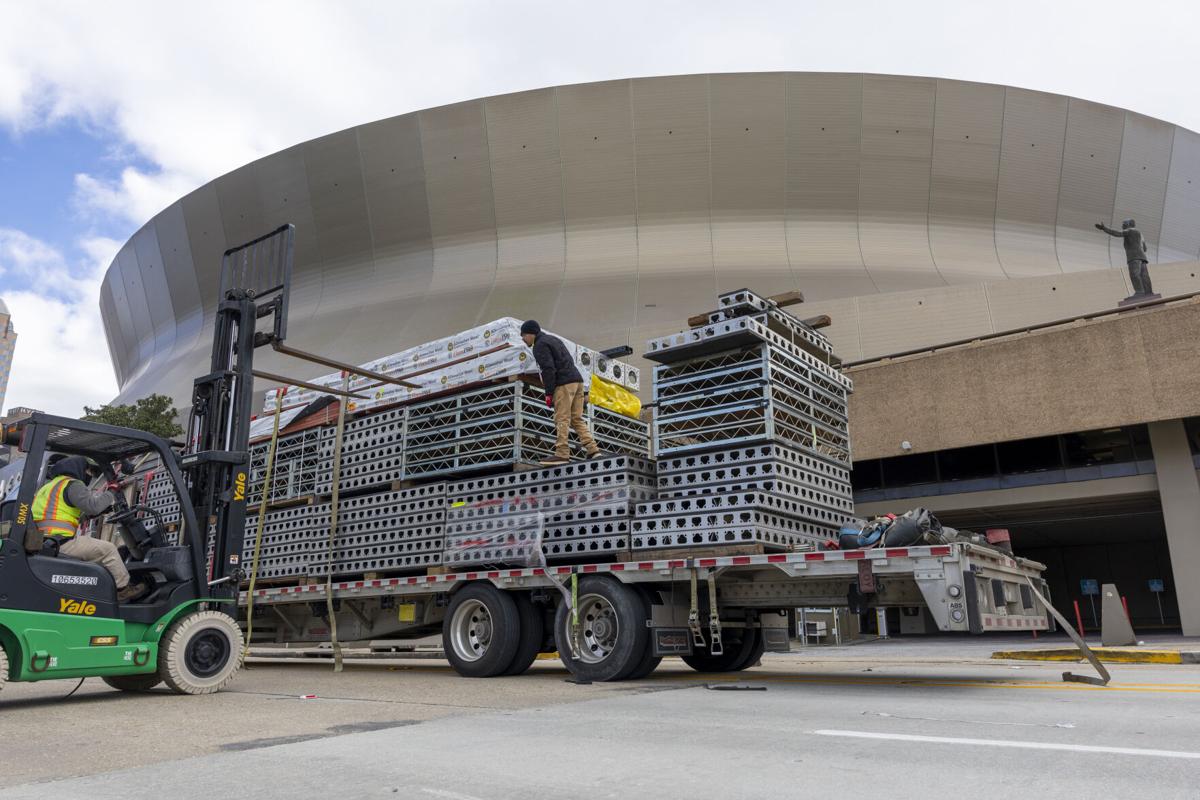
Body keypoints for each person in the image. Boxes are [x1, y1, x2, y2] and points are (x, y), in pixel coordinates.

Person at [32, 455, 140, 602]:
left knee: (97, 551)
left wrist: (92, 515)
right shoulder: (72, 484)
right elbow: (93, 506)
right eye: (88, 471)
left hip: (46, 542)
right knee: (108, 550)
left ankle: (104, 589)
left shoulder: (48, 488)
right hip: (62, 543)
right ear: (78, 469)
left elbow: (60, 515)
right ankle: (123, 589)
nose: (89, 476)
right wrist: (112, 491)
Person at [521, 320, 603, 465]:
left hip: (564, 384)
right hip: (577, 382)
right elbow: (569, 360)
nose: (522, 338)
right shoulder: (554, 340)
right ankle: (593, 450)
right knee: (576, 419)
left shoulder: (539, 345)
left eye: (524, 335)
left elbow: (548, 369)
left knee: (561, 418)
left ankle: (562, 454)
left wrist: (549, 393)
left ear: (531, 333)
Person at [1096, 219, 1155, 298]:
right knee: (1144, 276)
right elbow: (1145, 249)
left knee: (1134, 274)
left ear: (1128, 224)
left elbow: (1117, 233)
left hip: (1134, 257)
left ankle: (1139, 292)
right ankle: (1148, 293)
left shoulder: (1129, 231)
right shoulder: (1140, 234)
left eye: (1123, 224)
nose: (1122, 226)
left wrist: (1104, 228)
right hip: (1142, 258)